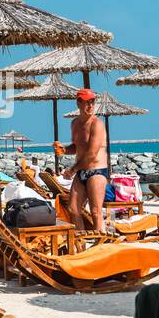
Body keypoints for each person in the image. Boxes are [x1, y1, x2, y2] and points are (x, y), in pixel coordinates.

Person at [54, 88, 109, 233]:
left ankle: (101, 246)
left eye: (92, 102)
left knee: (96, 211)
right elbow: (77, 146)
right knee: (73, 209)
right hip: (82, 171)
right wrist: (65, 150)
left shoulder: (97, 124)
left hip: (97, 171)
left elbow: (91, 154)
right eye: (87, 102)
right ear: (78, 103)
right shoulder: (75, 124)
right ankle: (81, 246)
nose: (90, 106)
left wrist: (72, 170)